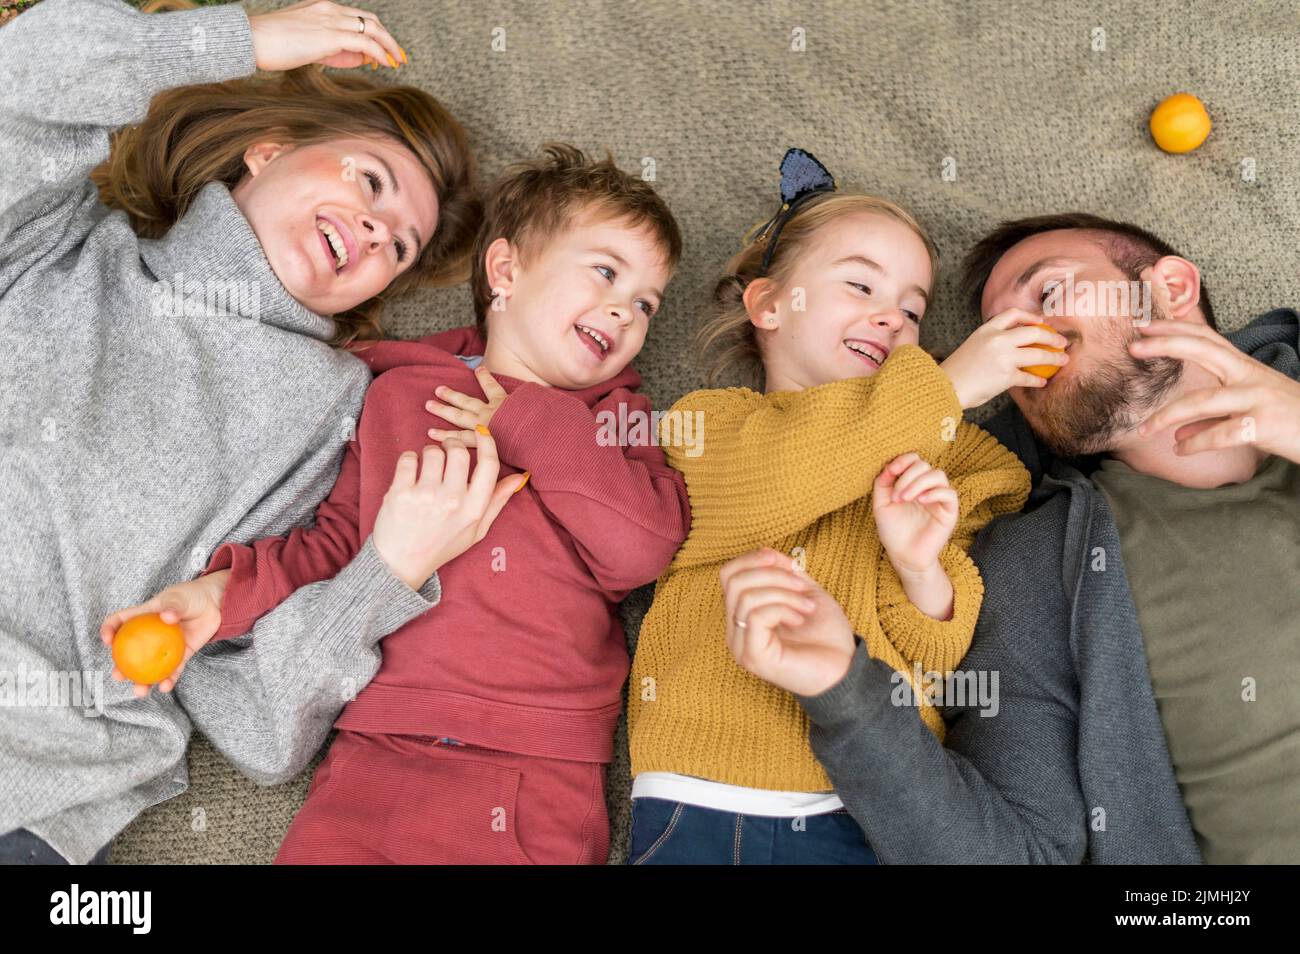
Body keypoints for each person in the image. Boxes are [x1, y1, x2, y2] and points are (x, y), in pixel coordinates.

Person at [0, 0, 488, 865]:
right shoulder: (58, 243)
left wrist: (389, 572)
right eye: (368, 180)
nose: (378, 230)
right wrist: (243, 42)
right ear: (268, 151)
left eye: (401, 248)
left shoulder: (330, 412)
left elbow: (260, 728)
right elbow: (19, 80)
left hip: (36, 784)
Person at [108, 144, 692, 864]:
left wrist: (528, 418)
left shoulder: (613, 420)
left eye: (645, 303)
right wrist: (215, 597)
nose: (624, 311)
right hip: (374, 745)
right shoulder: (395, 394)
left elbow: (641, 549)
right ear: (505, 271)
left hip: (530, 759)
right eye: (606, 272)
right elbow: (332, 544)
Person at [726, 212, 1300, 863]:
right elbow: (1015, 855)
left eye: (1049, 293)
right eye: (1001, 335)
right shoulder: (1037, 562)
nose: (1027, 338)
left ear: (1170, 286)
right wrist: (845, 691)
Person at [625, 150, 1060, 864]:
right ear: (768, 305)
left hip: (866, 802)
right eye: (860, 284)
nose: (890, 319)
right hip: (704, 791)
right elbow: (787, 473)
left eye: (913, 310)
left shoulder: (947, 462)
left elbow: (937, 654)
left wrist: (918, 567)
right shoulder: (707, 425)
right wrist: (948, 385)